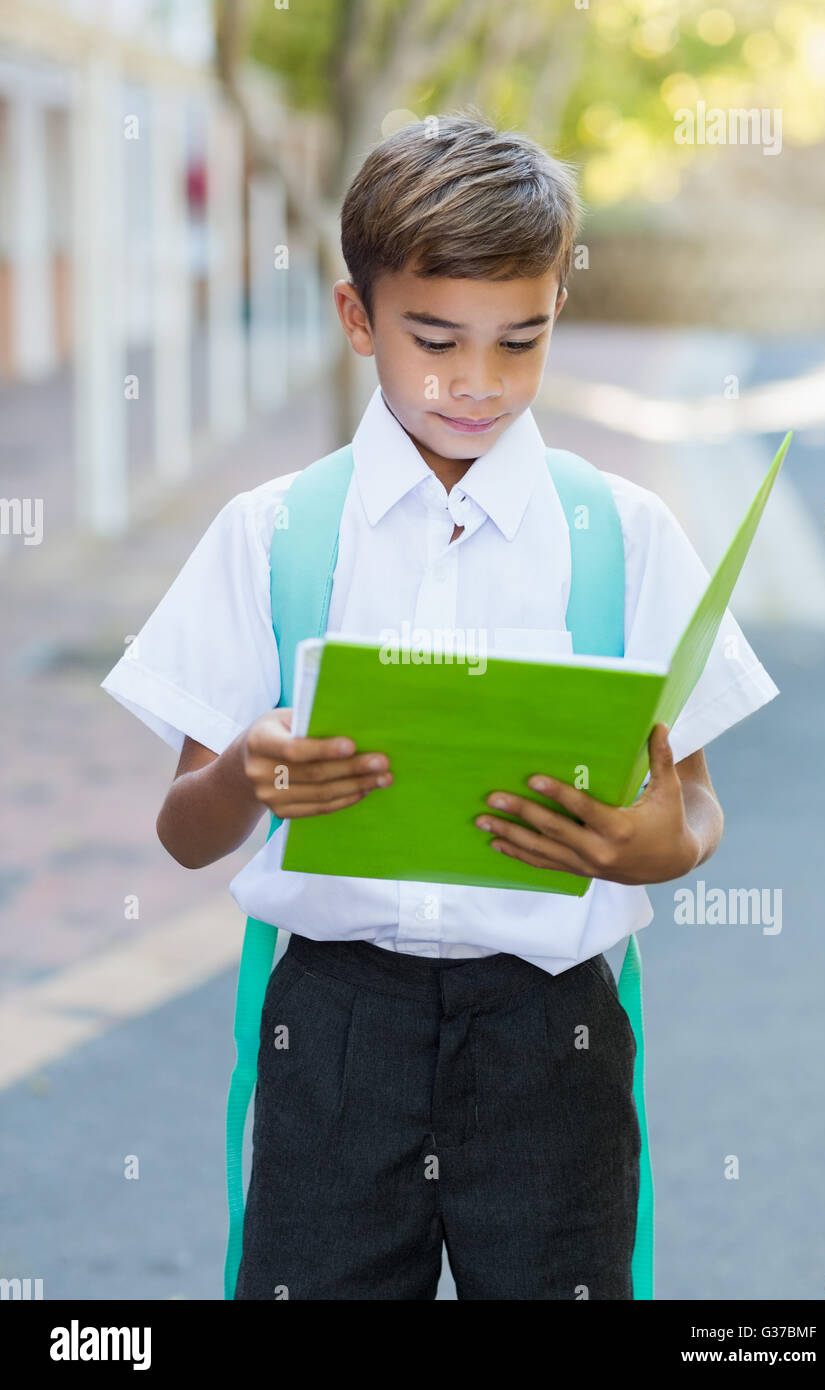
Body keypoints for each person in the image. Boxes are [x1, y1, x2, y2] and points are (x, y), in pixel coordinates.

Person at [100, 112, 779, 1300]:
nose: (477, 382)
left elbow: (698, 811)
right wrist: (245, 779)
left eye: (519, 342)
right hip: (332, 1030)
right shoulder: (271, 535)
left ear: (555, 316)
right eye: (434, 339)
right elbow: (183, 828)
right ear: (357, 317)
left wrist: (652, 841)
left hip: (548, 1037)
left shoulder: (620, 535)